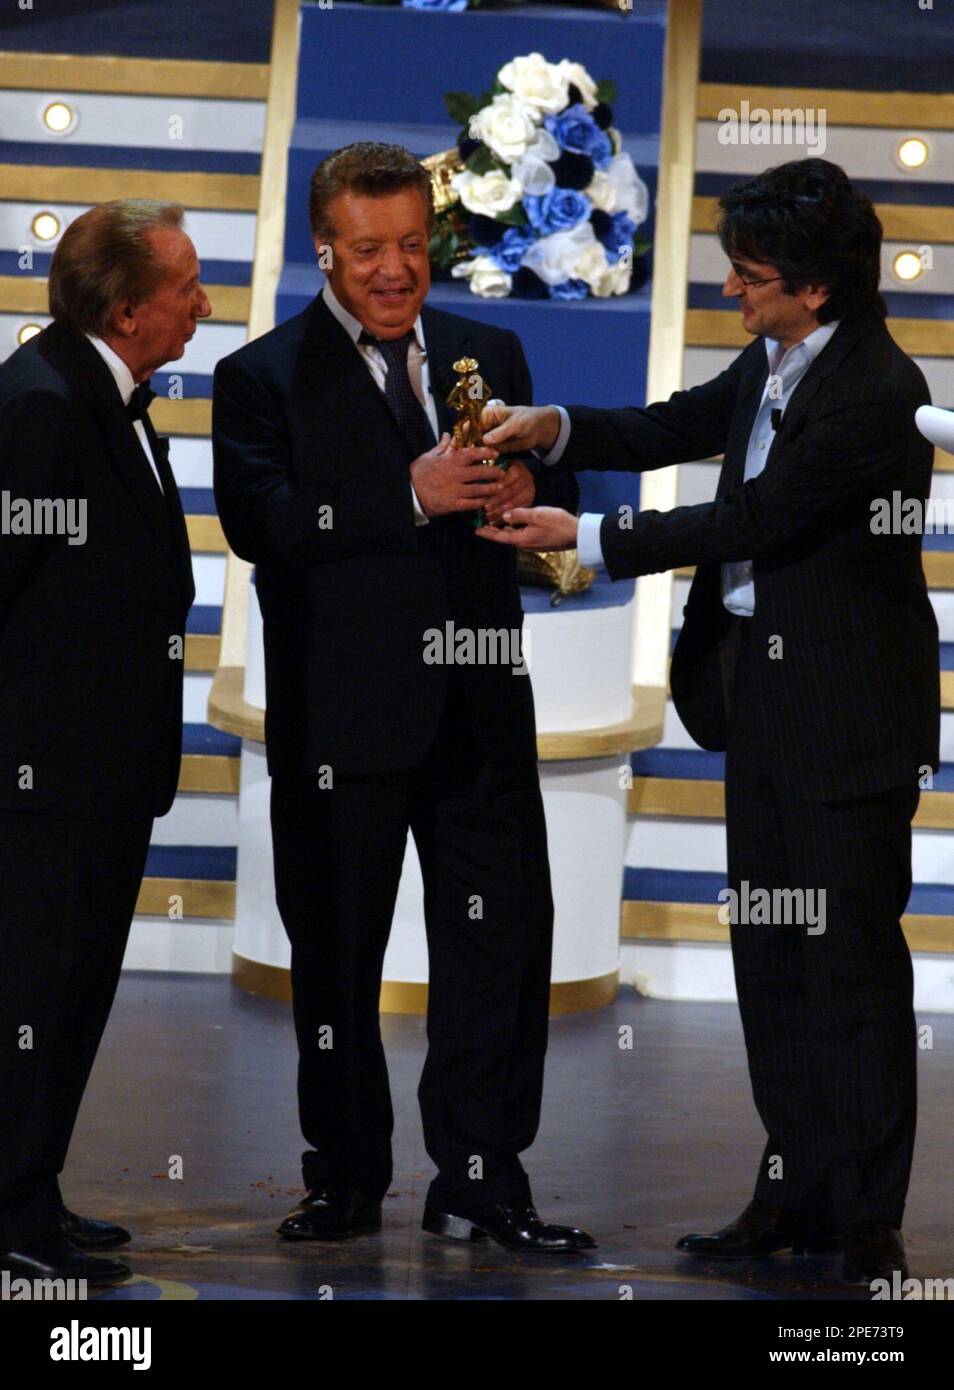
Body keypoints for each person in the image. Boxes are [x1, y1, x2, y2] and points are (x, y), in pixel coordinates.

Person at [477, 158, 939, 1285]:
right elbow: (678, 422)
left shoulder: (878, 391)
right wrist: (556, 427)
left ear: (816, 290)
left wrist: (582, 541)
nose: (732, 291)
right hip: (760, 703)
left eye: (750, 277)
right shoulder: (780, 354)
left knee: (851, 971)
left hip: (845, 721)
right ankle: (791, 1193)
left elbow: (758, 516)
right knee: (773, 957)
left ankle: (864, 1217)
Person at [213, 142, 593, 1253]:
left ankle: (481, 1176)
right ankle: (343, 1177)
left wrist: (529, 482)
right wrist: (407, 492)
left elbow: (554, 486)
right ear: (323, 248)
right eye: (368, 249)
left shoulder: (488, 347)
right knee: (335, 959)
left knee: (498, 950)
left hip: (477, 709)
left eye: (414, 246)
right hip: (343, 727)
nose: (394, 270)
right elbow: (265, 526)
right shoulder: (260, 377)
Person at [0, 200, 207, 1283]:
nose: (202, 306)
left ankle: (34, 1190)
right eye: (184, 290)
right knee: (31, 998)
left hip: (97, 773)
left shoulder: (103, 392)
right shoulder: (41, 407)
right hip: (45, 782)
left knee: (69, 995)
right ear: (128, 310)